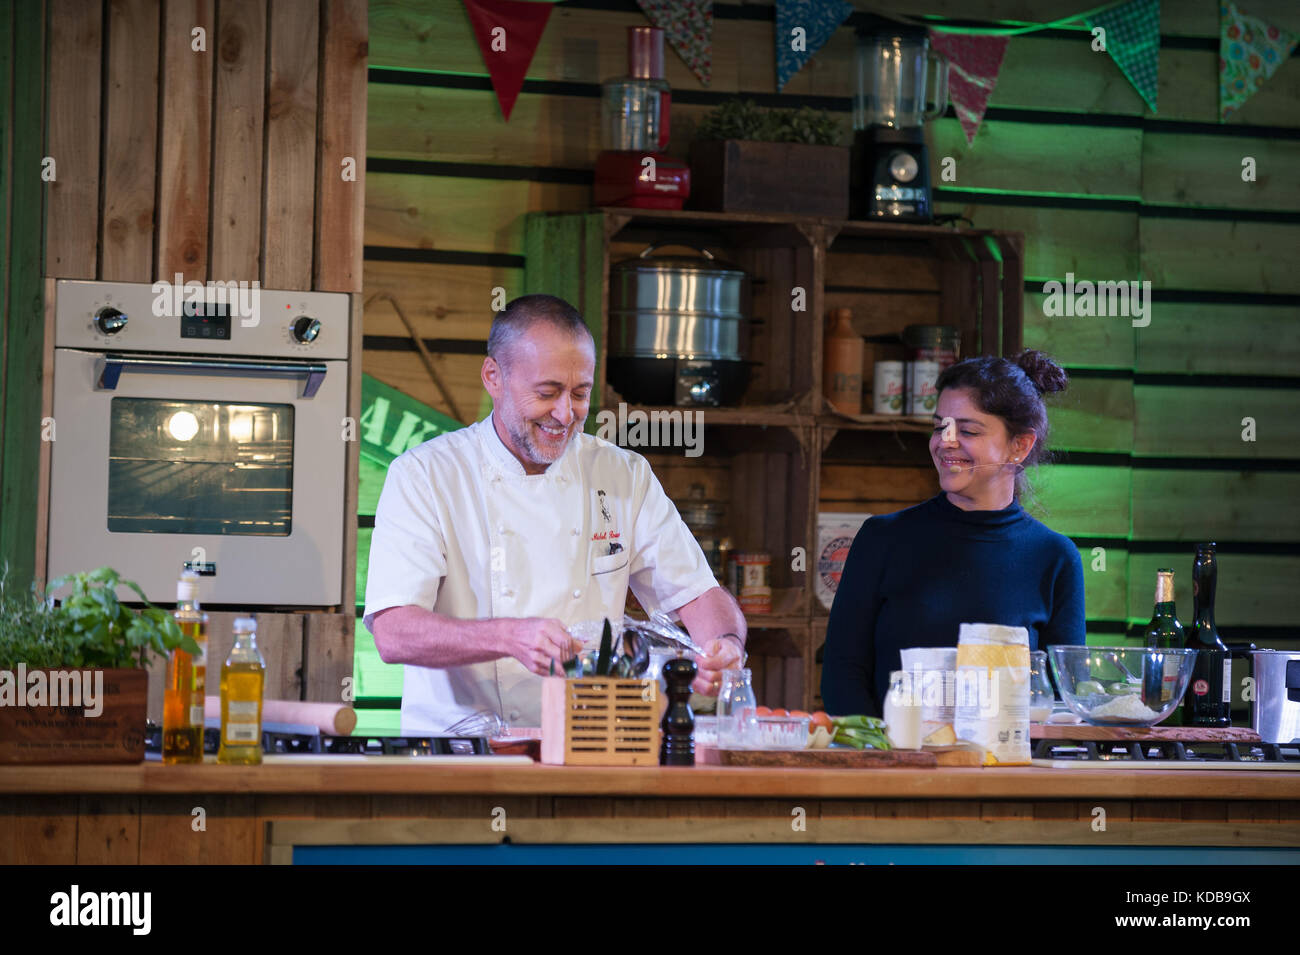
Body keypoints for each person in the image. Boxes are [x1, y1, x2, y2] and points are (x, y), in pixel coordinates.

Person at [364, 294, 747, 734]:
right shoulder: (424, 475)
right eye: (547, 393)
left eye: (579, 394)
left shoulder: (623, 474)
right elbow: (394, 633)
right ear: (494, 376)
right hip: (462, 748)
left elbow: (698, 594)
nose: (565, 414)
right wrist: (508, 637)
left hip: (589, 743)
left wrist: (725, 643)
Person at [820, 349, 1086, 717]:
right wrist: (879, 756)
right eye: (938, 426)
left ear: (1019, 446)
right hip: (894, 767)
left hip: (1005, 770)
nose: (945, 441)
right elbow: (842, 675)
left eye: (968, 430)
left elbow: (1061, 701)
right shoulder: (882, 539)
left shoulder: (1055, 558)